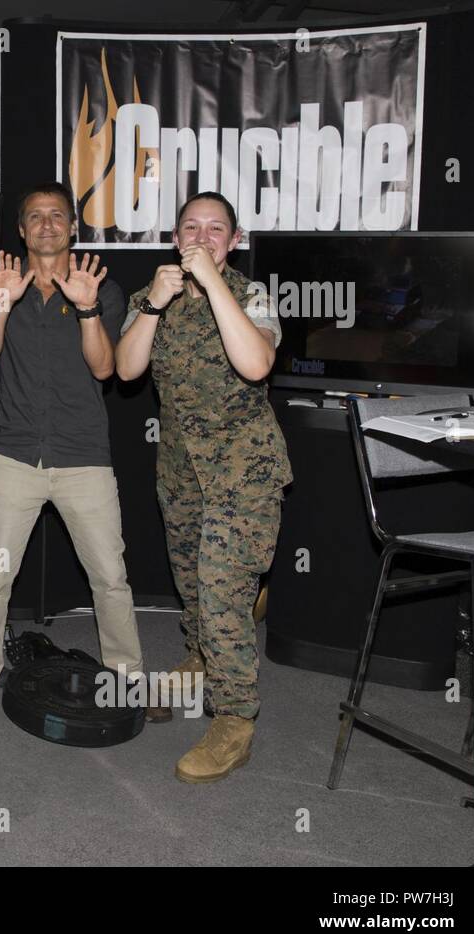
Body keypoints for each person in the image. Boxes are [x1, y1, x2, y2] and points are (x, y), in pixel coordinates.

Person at [0, 182, 161, 725]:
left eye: (57, 216)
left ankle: (130, 679)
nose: (46, 225)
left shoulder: (100, 289)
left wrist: (87, 309)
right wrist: (0, 305)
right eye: (35, 216)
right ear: (21, 230)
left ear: (73, 228)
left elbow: (105, 369)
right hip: (16, 459)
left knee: (110, 577)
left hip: (83, 459)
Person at [115, 190, 291, 783]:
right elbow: (126, 369)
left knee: (219, 592)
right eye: (192, 226)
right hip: (181, 473)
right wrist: (155, 306)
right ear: (174, 237)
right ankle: (203, 656)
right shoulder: (152, 296)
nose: (202, 236)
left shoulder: (251, 295)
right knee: (192, 585)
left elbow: (256, 365)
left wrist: (214, 283)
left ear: (234, 243)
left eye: (217, 229)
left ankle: (235, 719)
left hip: (247, 474)